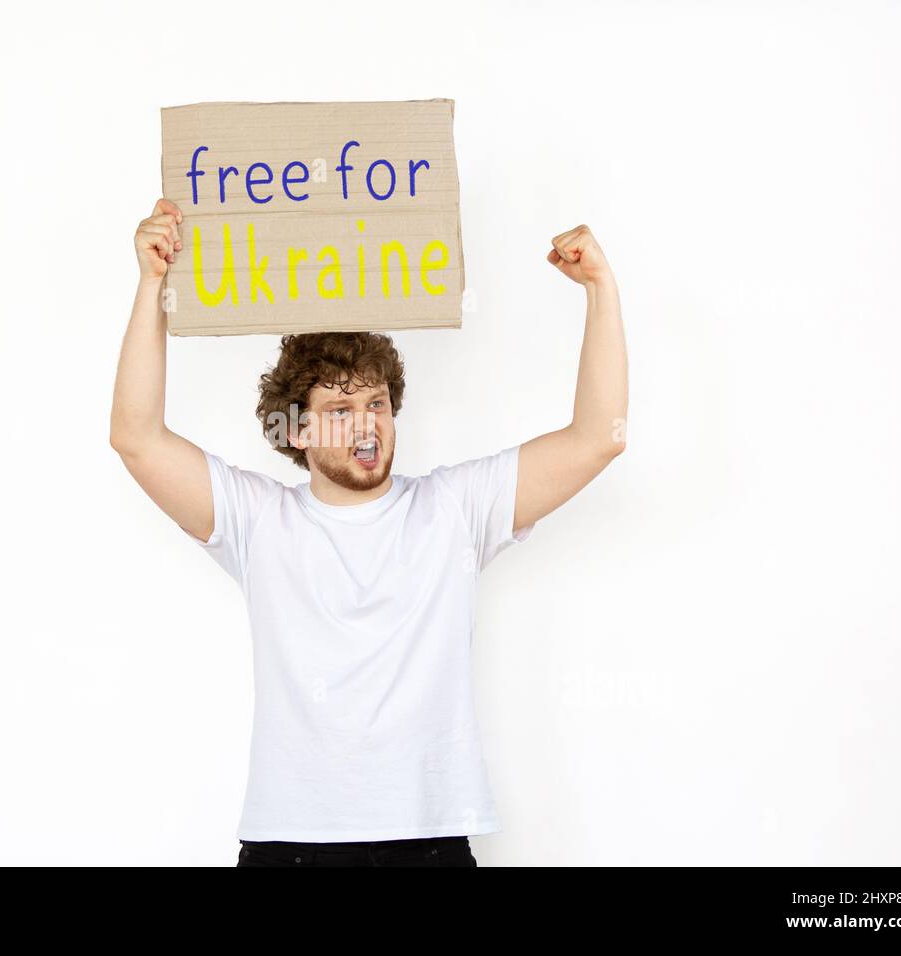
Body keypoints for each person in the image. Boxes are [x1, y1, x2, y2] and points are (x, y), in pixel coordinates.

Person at [110, 198, 628, 866]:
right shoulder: (258, 520)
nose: (367, 423)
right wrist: (153, 286)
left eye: (377, 403)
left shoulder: (455, 509)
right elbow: (136, 438)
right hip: (290, 847)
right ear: (294, 430)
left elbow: (597, 439)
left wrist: (601, 290)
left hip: (428, 844)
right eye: (340, 407)